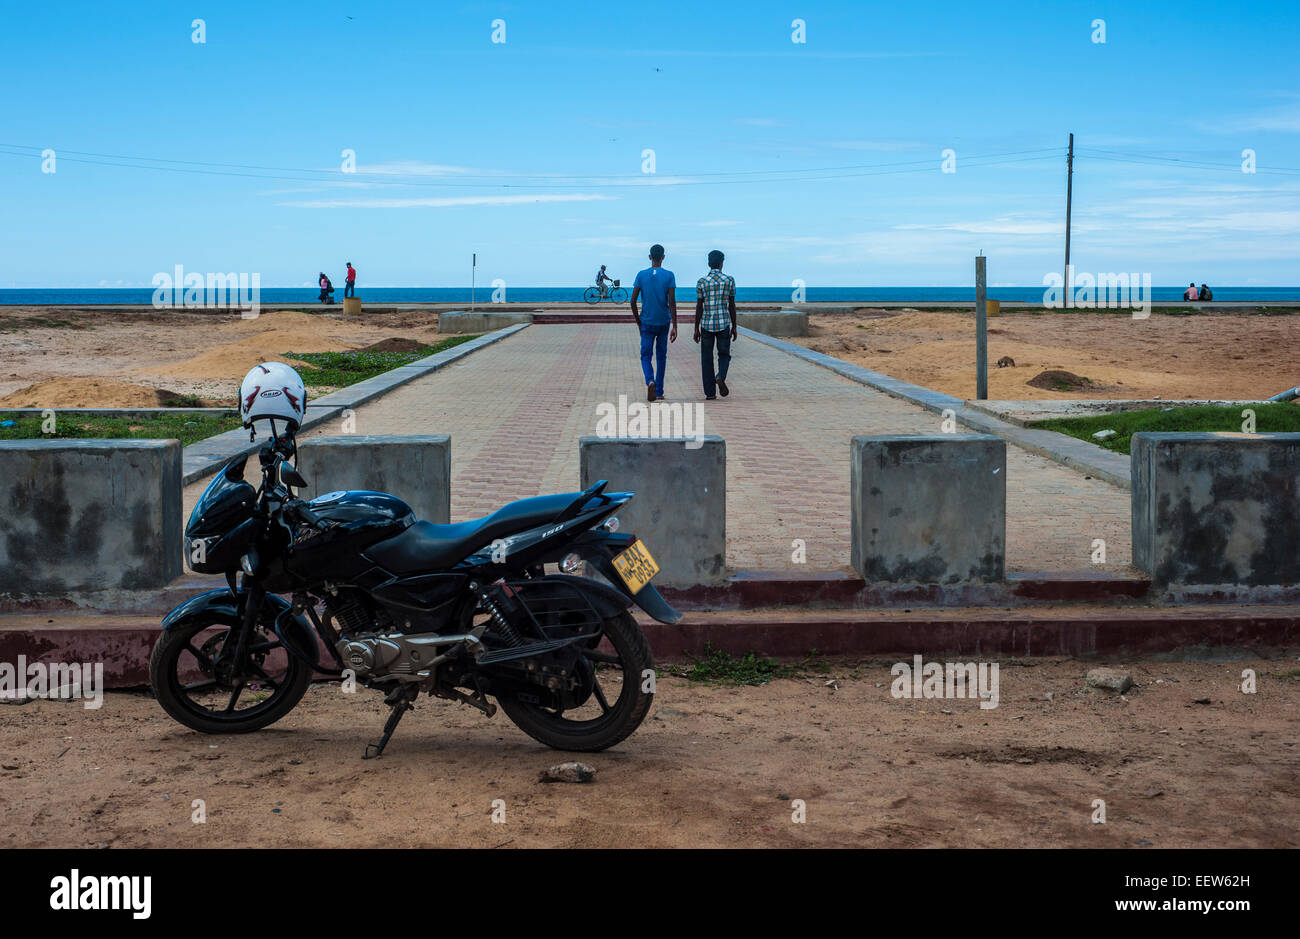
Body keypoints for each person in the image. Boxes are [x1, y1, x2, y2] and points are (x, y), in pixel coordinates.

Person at [630, 244, 677, 402]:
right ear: (663, 257)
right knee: (661, 357)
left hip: (647, 322)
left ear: (650, 257)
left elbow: (632, 301)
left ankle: (650, 380)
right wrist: (675, 325)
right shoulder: (669, 275)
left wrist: (638, 321)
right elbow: (672, 302)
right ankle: (659, 390)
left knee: (645, 355)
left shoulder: (641, 275)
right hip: (663, 322)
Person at [694, 249, 737, 400]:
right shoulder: (729, 280)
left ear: (708, 264)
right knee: (724, 354)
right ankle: (721, 376)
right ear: (722, 263)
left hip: (706, 324)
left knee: (706, 358)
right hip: (724, 323)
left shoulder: (702, 282)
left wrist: (695, 328)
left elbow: (699, 307)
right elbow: (731, 305)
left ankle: (710, 393)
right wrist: (735, 326)